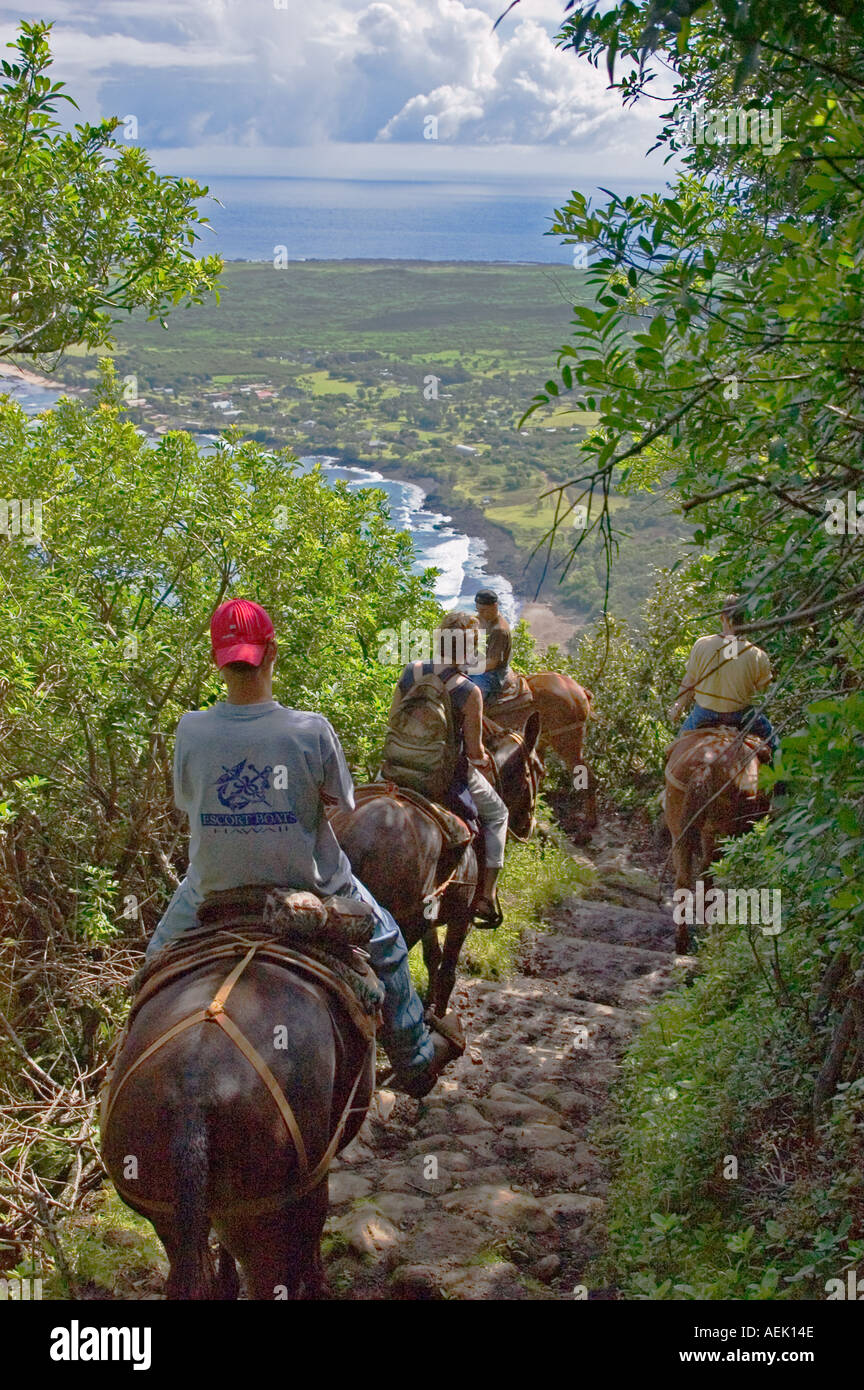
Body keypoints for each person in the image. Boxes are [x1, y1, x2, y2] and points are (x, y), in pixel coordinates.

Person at [147, 598, 459, 1097]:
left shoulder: (191, 729)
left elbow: (189, 802)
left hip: (210, 889)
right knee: (392, 947)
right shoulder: (309, 729)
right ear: (273, 653)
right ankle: (415, 1056)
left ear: (216, 659)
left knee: (153, 967)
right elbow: (339, 802)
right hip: (312, 886)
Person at [388, 610, 509, 927]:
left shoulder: (410, 671)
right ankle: (486, 895)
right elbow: (473, 751)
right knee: (498, 814)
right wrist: (483, 757)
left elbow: (392, 722)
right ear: (468, 649)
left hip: (397, 768)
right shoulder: (469, 692)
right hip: (441, 777)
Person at [668, 594, 779, 755]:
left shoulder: (702, 645)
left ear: (722, 618)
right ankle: (782, 779)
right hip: (741, 716)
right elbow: (763, 689)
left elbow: (689, 680)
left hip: (704, 714)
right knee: (775, 746)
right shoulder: (757, 655)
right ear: (746, 620)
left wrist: (678, 707)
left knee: (675, 750)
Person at [470, 589, 511, 703]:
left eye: (484, 611)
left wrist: (466, 669)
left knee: (469, 698)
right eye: (478, 610)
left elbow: (491, 664)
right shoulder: (481, 618)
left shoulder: (499, 630)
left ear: (495, 606)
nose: (480, 614)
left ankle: (475, 719)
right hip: (477, 663)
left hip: (492, 674)